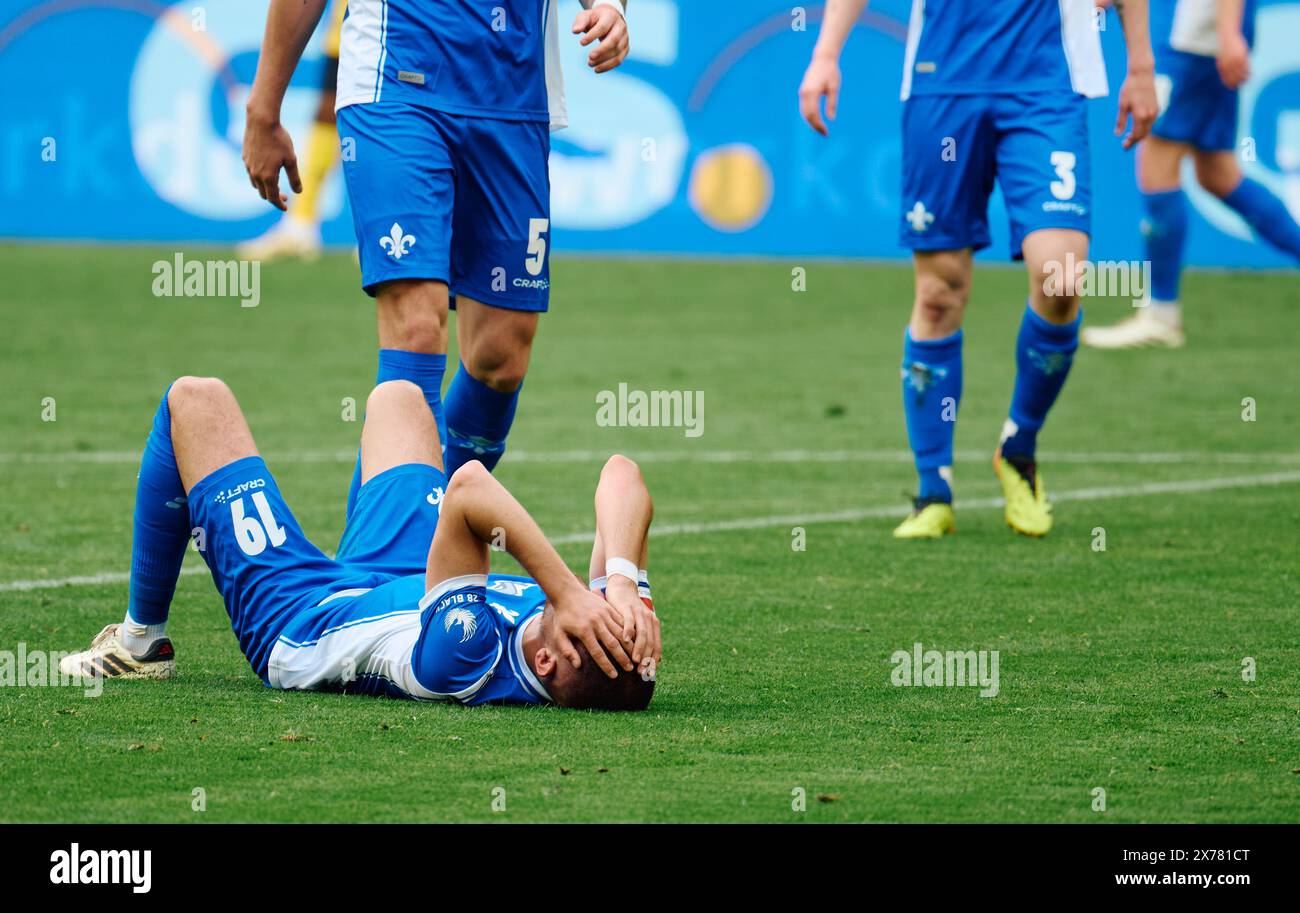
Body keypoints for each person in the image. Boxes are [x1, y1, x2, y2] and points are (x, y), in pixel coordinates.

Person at [241, 0, 631, 519]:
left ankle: (432, 537)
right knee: (416, 331)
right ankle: (384, 556)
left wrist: (610, 7)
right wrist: (264, 107)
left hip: (513, 99)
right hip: (395, 83)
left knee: (500, 358)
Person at [59, 376, 661, 710]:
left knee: (195, 399)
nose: (592, 605)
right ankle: (360, 540)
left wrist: (567, 591)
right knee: (398, 399)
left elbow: (470, 489)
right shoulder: (607, 633)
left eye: (587, 618)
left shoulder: (467, 656)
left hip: (305, 617)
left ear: (546, 662)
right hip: (408, 582)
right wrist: (624, 585)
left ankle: (140, 643)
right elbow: (621, 474)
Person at [798, 0, 1158, 538]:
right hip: (943, 82)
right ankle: (932, 490)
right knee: (938, 293)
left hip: (1046, 83)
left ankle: (1019, 447)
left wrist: (1141, 67)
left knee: (1061, 278)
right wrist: (825, 54)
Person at [1083, 0, 1300, 350]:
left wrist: (1228, 31)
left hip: (1191, 35)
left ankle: (1161, 314)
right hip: (1200, 32)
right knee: (1218, 174)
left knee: (1157, 160)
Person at [237, 0, 349, 262]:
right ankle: (301, 222)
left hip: (407, 25)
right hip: (353, 17)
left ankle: (391, 224)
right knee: (329, 110)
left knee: (389, 107)